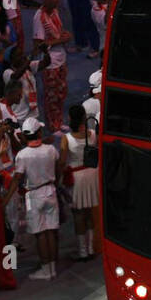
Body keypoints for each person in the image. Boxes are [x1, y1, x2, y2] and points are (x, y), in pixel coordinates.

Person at [9, 117, 60, 279]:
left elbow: (18, 177)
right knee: (51, 231)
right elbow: (58, 168)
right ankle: (52, 268)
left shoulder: (23, 155)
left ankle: (45, 270)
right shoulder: (51, 150)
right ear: (38, 132)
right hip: (51, 190)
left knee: (40, 234)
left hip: (33, 195)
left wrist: (7, 198)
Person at [61, 103, 99, 260]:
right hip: (92, 175)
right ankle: (90, 248)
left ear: (70, 118)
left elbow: (62, 162)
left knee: (78, 215)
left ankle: (82, 251)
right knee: (90, 212)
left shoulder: (67, 139)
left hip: (77, 178)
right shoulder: (92, 134)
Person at [32, 0, 70, 131]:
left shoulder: (55, 11)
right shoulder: (39, 18)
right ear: (46, 0)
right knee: (52, 96)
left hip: (61, 59)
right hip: (50, 63)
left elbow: (57, 32)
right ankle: (53, 127)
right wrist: (61, 40)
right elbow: (38, 45)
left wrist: (65, 35)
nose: (58, 0)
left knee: (61, 92)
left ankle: (59, 122)